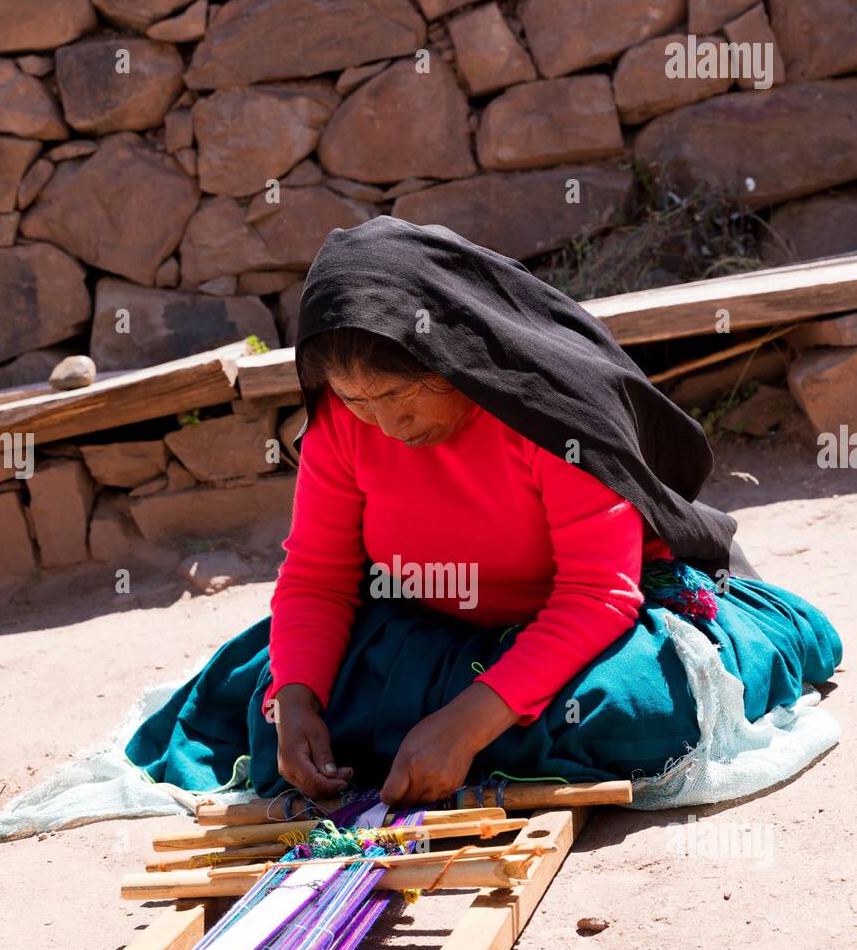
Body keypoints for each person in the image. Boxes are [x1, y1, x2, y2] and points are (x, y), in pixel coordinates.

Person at [126, 217, 842, 809]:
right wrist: (300, 702)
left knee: (645, 713)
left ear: (455, 360)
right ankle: (470, 738)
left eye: (403, 401)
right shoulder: (344, 425)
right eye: (358, 405)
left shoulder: (548, 415)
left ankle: (470, 736)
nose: (387, 427)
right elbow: (317, 575)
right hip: (436, 623)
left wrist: (469, 720)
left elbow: (597, 595)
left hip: (593, 625)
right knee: (275, 710)